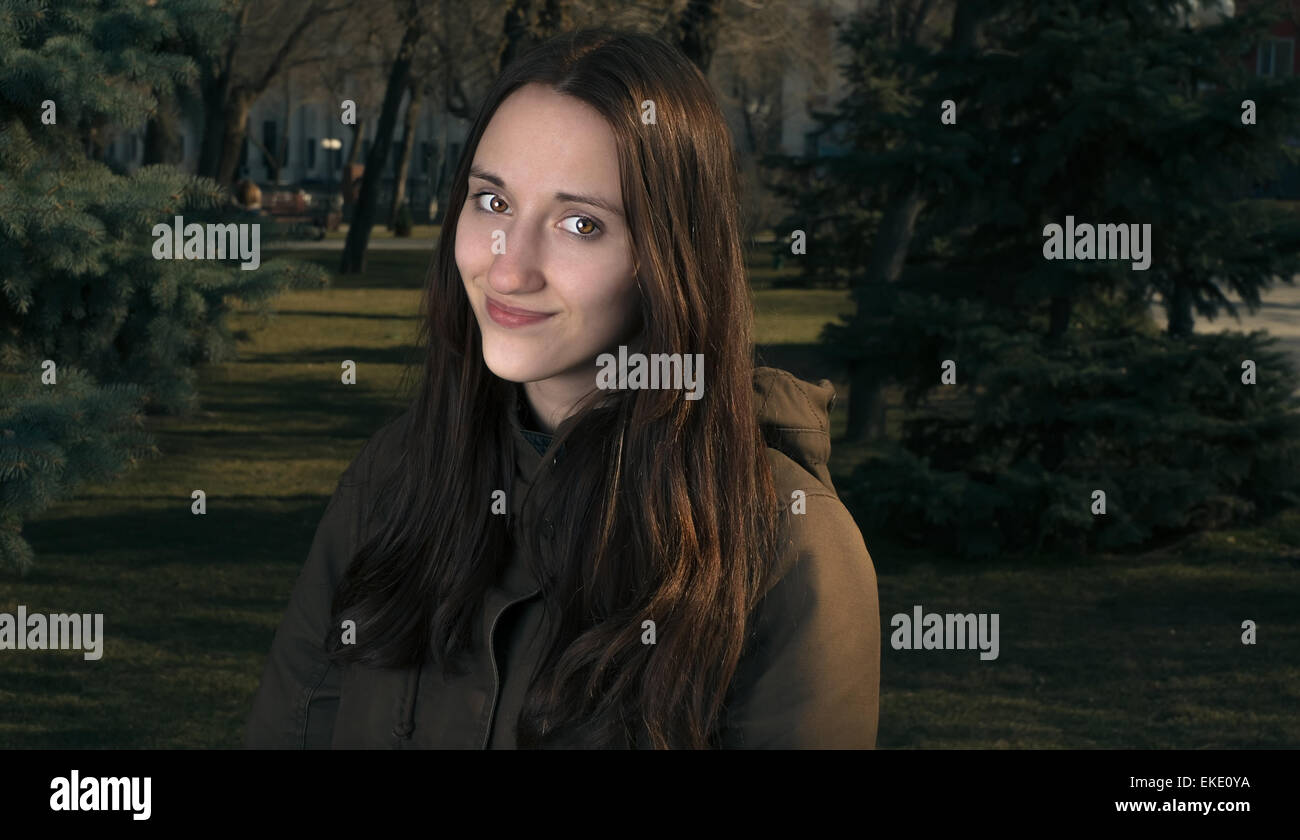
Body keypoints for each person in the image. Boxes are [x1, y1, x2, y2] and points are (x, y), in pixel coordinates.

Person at [245, 27, 879, 749]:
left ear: (669, 259)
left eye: (581, 224)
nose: (509, 269)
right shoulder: (392, 481)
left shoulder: (789, 547)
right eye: (492, 203)